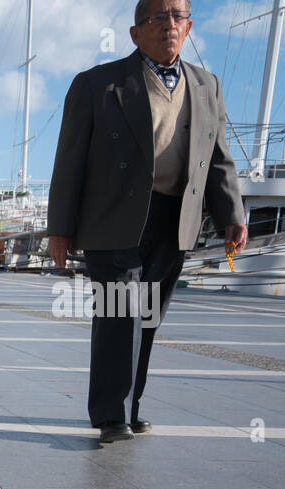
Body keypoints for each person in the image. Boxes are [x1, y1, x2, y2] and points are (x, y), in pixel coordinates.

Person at [49, 0, 246, 443]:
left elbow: (217, 158)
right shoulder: (97, 84)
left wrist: (232, 213)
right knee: (121, 314)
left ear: (190, 27)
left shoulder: (207, 85)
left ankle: (130, 407)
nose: (169, 25)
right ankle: (111, 416)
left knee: (148, 317)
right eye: (157, 17)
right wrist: (59, 226)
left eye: (177, 16)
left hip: (175, 219)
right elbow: (68, 161)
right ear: (136, 32)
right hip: (114, 219)